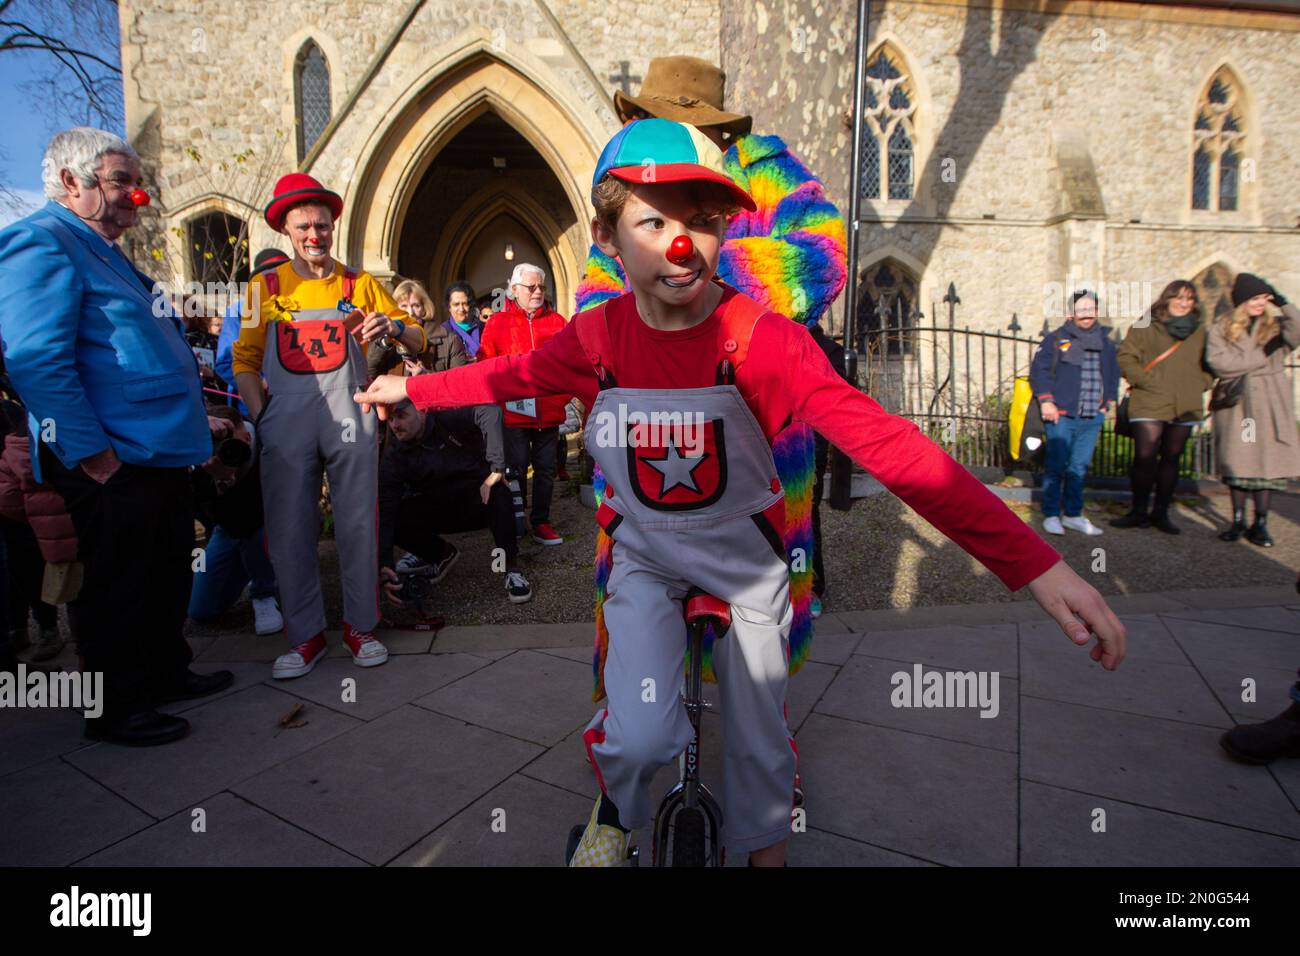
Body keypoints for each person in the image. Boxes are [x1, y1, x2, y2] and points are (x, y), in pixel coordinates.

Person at [357, 118, 1127, 867]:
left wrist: (1034, 563)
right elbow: (507, 376)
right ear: (606, 238)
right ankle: (616, 813)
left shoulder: (765, 339)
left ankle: (766, 853)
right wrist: (415, 388)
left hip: (749, 564)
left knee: (761, 747)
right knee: (640, 736)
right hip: (644, 561)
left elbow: (891, 447)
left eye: (702, 220)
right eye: (653, 221)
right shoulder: (595, 337)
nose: (682, 244)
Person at [575, 55, 846, 633]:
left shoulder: (771, 171)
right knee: (638, 600)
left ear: (721, 132)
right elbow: (597, 304)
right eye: (653, 120)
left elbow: (821, 259)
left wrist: (699, 289)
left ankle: (763, 707)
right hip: (649, 422)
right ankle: (628, 698)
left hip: (755, 424)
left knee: (759, 612)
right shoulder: (627, 181)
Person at [0, 127, 233, 745]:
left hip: (154, 451)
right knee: (114, 590)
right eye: (122, 181)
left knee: (160, 575)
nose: (139, 196)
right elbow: (36, 361)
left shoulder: (106, 250)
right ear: (72, 183)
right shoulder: (40, 242)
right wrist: (91, 455)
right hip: (111, 460)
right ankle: (117, 708)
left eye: (136, 181)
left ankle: (165, 672)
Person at [232, 172, 426, 680]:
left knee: (359, 523)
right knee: (291, 528)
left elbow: (420, 339)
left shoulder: (359, 283)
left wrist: (396, 326)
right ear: (287, 231)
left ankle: (361, 627)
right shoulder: (264, 286)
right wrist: (262, 417)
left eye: (322, 225)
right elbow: (244, 361)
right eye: (304, 228)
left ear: (333, 225)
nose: (314, 235)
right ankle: (305, 635)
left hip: (350, 415)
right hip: (286, 423)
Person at [379, 398, 531, 606]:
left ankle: (510, 569)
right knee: (392, 514)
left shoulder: (445, 418)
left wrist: (496, 468)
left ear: (421, 411)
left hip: (477, 502)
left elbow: (490, 411)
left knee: (498, 490)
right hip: (439, 508)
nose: (395, 425)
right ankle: (440, 554)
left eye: (401, 416)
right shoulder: (394, 454)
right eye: (390, 419)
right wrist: (385, 563)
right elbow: (387, 509)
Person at [1205, 273, 1300, 547]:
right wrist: (1261, 356)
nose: (1259, 303)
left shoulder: (1276, 326)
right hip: (1238, 404)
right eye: (1254, 298)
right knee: (1240, 462)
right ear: (1241, 302)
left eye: (1263, 298)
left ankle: (1260, 522)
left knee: (1266, 465)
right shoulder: (1221, 329)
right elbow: (1221, 364)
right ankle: (1237, 520)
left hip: (1269, 402)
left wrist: (1282, 301)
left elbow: (1298, 329)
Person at [479, 262, 570, 546]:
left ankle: (541, 521)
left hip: (549, 413)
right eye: (531, 287)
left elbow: (570, 364)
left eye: (541, 286)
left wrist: (560, 398)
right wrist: (504, 398)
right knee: (515, 469)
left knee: (545, 469)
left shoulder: (558, 323)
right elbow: (486, 365)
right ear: (515, 290)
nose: (538, 291)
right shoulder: (497, 323)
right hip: (514, 414)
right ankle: (516, 518)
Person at [1112, 281, 1213, 533]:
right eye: (1178, 297)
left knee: (1171, 458)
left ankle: (1161, 513)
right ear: (1167, 298)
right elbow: (1126, 356)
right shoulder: (1146, 324)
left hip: (1185, 402)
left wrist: (1202, 383)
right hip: (1150, 399)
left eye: (1189, 299)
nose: (1184, 303)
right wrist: (1145, 381)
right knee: (1145, 457)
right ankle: (1138, 511)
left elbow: (1210, 363)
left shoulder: (1200, 331)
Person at [1029, 290, 1119, 536]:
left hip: (1091, 415)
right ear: (1071, 314)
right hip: (1062, 414)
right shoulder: (1055, 340)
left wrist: (1108, 401)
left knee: (1079, 467)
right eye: (1082, 310)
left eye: (1091, 310)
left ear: (1097, 312)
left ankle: (1073, 514)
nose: (1087, 315)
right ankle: (1050, 514)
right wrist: (1046, 401)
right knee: (1056, 466)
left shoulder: (1106, 343)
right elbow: (1039, 371)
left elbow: (1112, 374)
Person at [188, 405, 282, 634]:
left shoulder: (269, 442)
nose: (232, 451)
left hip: (272, 524)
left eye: (238, 441)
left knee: (254, 530)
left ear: (248, 434)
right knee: (201, 610)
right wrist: (221, 483)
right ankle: (250, 572)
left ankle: (264, 592)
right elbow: (214, 519)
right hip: (229, 528)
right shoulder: (199, 464)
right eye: (223, 445)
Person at [215, 248, 290, 417]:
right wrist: (258, 382)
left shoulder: (299, 306)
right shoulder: (239, 310)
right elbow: (225, 362)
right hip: (257, 407)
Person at [368, 278, 468, 379]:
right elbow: (368, 374)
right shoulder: (382, 340)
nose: (410, 312)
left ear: (424, 308)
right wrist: (385, 343)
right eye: (403, 306)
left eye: (416, 306)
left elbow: (460, 382)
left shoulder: (449, 340)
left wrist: (428, 377)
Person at [444, 281, 486, 359]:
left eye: (465, 304)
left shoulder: (484, 328)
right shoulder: (443, 332)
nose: (461, 309)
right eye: (456, 304)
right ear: (449, 307)